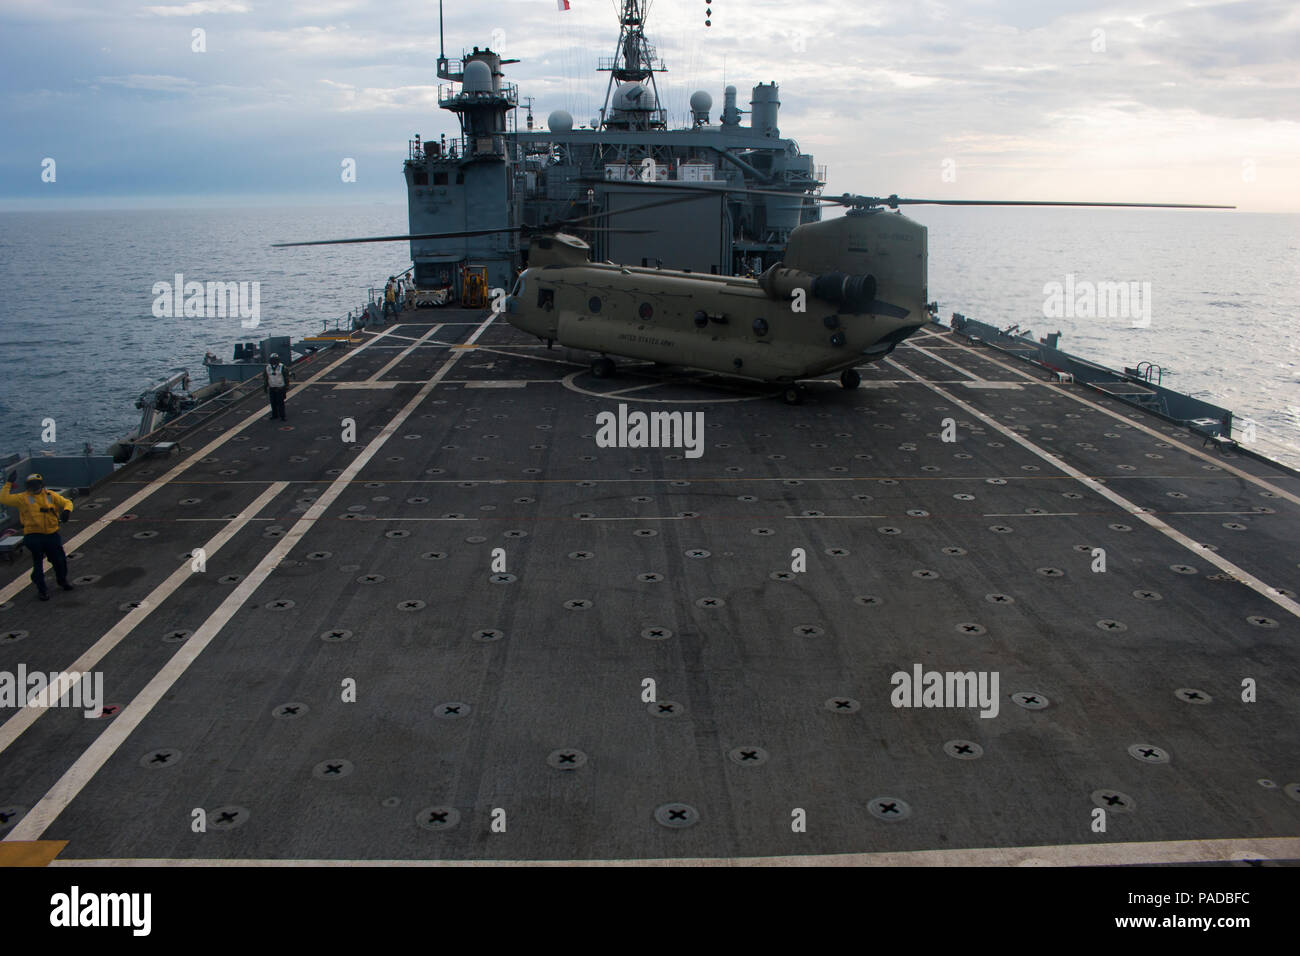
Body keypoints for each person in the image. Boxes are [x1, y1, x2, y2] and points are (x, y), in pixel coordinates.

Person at [0, 472, 74, 602]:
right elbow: (3, 498)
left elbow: (67, 502)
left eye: (36, 484)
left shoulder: (51, 496)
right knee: (38, 564)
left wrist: (67, 511)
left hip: (52, 534)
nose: (34, 486)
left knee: (60, 560)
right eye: (31, 484)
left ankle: (62, 581)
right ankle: (42, 590)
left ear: (41, 484)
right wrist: (8, 484)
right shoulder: (22, 498)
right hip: (33, 536)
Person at [264, 353, 291, 420]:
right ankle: (274, 415)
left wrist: (287, 386)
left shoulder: (282, 367)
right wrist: (265, 386)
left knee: (280, 403)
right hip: (272, 387)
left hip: (280, 387)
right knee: (273, 403)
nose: (274, 361)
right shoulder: (268, 367)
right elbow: (266, 378)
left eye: (275, 359)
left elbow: (286, 377)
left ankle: (282, 416)